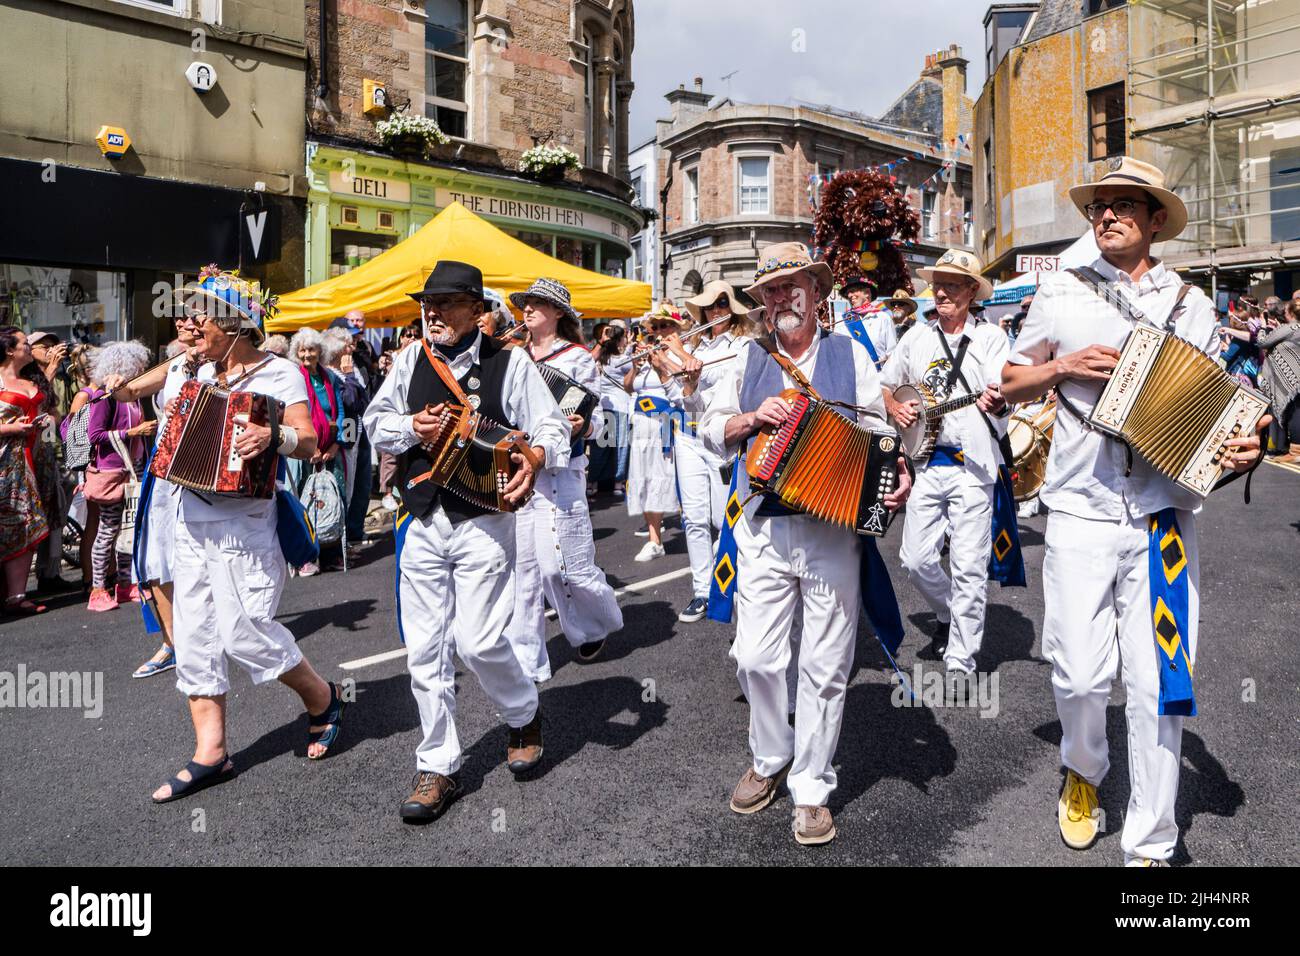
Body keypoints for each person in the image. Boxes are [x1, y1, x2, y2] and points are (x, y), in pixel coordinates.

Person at [1001, 157, 1269, 865]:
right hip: (1082, 512)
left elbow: (1220, 414)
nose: (1108, 214)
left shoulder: (1192, 306)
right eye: (1100, 205)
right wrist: (1060, 369)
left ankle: (1152, 842)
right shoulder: (1060, 291)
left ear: (1155, 221)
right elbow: (1008, 382)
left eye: (1126, 204)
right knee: (1080, 676)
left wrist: (1244, 446)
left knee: (1157, 684)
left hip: (1162, 518)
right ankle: (1084, 769)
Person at [698, 242, 911, 846]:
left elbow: (879, 429)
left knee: (825, 664)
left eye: (794, 286)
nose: (782, 297)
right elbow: (711, 429)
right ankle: (770, 754)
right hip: (764, 527)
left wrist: (897, 473)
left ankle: (812, 786)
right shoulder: (746, 360)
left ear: (817, 293)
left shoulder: (851, 355)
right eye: (771, 290)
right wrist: (746, 420)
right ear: (762, 303)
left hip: (832, 530)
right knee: (756, 658)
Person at [363, 260, 570, 822]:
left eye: (448, 303)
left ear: (477, 311)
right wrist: (412, 428)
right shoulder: (409, 358)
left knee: (477, 642)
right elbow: (373, 421)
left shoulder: (511, 362)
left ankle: (523, 711)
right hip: (424, 517)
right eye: (429, 303)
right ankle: (438, 765)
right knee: (425, 648)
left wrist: (536, 456)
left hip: (485, 519)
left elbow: (553, 426)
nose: (433, 312)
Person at [151, 266, 346, 803]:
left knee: (245, 631)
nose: (191, 325)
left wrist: (274, 434)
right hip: (190, 517)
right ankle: (211, 752)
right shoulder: (194, 373)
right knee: (193, 636)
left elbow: (309, 442)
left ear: (235, 325)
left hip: (243, 522)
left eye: (202, 317)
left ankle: (324, 698)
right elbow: (170, 430)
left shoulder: (278, 374)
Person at [882, 249, 1012, 671]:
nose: (941, 291)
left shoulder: (991, 339)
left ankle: (961, 658)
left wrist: (997, 402)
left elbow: (1003, 394)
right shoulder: (916, 337)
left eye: (952, 284)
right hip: (924, 462)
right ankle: (948, 614)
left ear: (972, 292)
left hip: (971, 466)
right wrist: (895, 408)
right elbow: (885, 386)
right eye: (938, 283)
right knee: (915, 559)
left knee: (968, 564)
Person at [504, 277, 623, 678]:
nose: (530, 308)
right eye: (528, 303)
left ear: (558, 313)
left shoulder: (577, 358)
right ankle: (527, 662)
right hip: (518, 468)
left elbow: (601, 420)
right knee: (523, 572)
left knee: (561, 565)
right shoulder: (512, 356)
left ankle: (592, 624)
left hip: (561, 470)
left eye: (540, 303)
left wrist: (583, 425)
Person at [103, 320, 203, 678]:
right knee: (155, 555)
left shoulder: (221, 363)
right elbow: (130, 393)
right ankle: (172, 643)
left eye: (194, 317)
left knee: (197, 557)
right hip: (164, 469)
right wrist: (116, 386)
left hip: (200, 473)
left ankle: (206, 638)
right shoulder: (175, 362)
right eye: (182, 315)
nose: (183, 322)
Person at [676, 280, 749, 622]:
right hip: (689, 436)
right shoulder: (697, 347)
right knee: (693, 518)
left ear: (731, 308)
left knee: (724, 517)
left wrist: (682, 356)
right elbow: (691, 405)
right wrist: (688, 383)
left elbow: (729, 389)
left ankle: (734, 587)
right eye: (709, 306)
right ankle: (702, 591)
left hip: (723, 441)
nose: (715, 311)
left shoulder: (744, 345)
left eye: (722, 304)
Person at [83, 341, 155, 612]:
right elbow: (95, 435)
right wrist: (133, 433)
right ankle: (98, 589)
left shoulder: (131, 395)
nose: (142, 369)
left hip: (131, 468)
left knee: (128, 528)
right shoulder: (105, 395)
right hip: (112, 470)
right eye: (138, 364)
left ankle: (125, 585)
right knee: (108, 529)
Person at [623, 303, 686, 562]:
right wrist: (637, 365)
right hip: (640, 422)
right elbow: (629, 387)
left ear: (675, 328)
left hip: (665, 421)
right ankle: (654, 538)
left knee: (664, 478)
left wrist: (663, 361)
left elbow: (683, 385)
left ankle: (697, 527)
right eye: (655, 327)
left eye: (664, 326)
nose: (659, 331)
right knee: (643, 478)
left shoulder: (682, 352)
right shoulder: (646, 354)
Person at [287, 327, 348, 575]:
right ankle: (306, 558)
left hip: (330, 450)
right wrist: (309, 446)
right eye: (302, 349)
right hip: (305, 451)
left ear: (320, 351)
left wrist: (335, 444)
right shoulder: (295, 378)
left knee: (334, 500)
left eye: (311, 349)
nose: (307, 354)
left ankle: (332, 553)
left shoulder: (329, 378)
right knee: (305, 502)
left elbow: (341, 412)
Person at [0, 327, 52, 615]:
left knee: (27, 523)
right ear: (10, 349)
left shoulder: (29, 379)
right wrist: (12, 428)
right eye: (23, 342)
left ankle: (16, 596)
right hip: (4, 463)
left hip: (29, 461)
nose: (29, 346)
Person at [1242, 299, 1300, 461]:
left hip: (1291, 380)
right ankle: (1285, 448)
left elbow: (1262, 342)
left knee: (1292, 413)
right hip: (1295, 378)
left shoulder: (1290, 328)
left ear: (1289, 313)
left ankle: (1294, 452)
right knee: (1292, 412)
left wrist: (1262, 326)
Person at [589, 321, 631, 495]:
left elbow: (587, 361)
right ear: (621, 340)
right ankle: (618, 483)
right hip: (620, 406)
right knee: (620, 446)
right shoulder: (623, 360)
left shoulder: (601, 359)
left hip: (602, 406)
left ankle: (592, 484)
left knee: (600, 447)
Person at [833, 275, 896, 368]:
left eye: (853, 290)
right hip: (852, 378)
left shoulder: (882, 318)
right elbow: (837, 353)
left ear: (867, 293)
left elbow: (892, 354)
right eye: (848, 293)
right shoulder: (842, 322)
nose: (850, 295)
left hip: (878, 378)